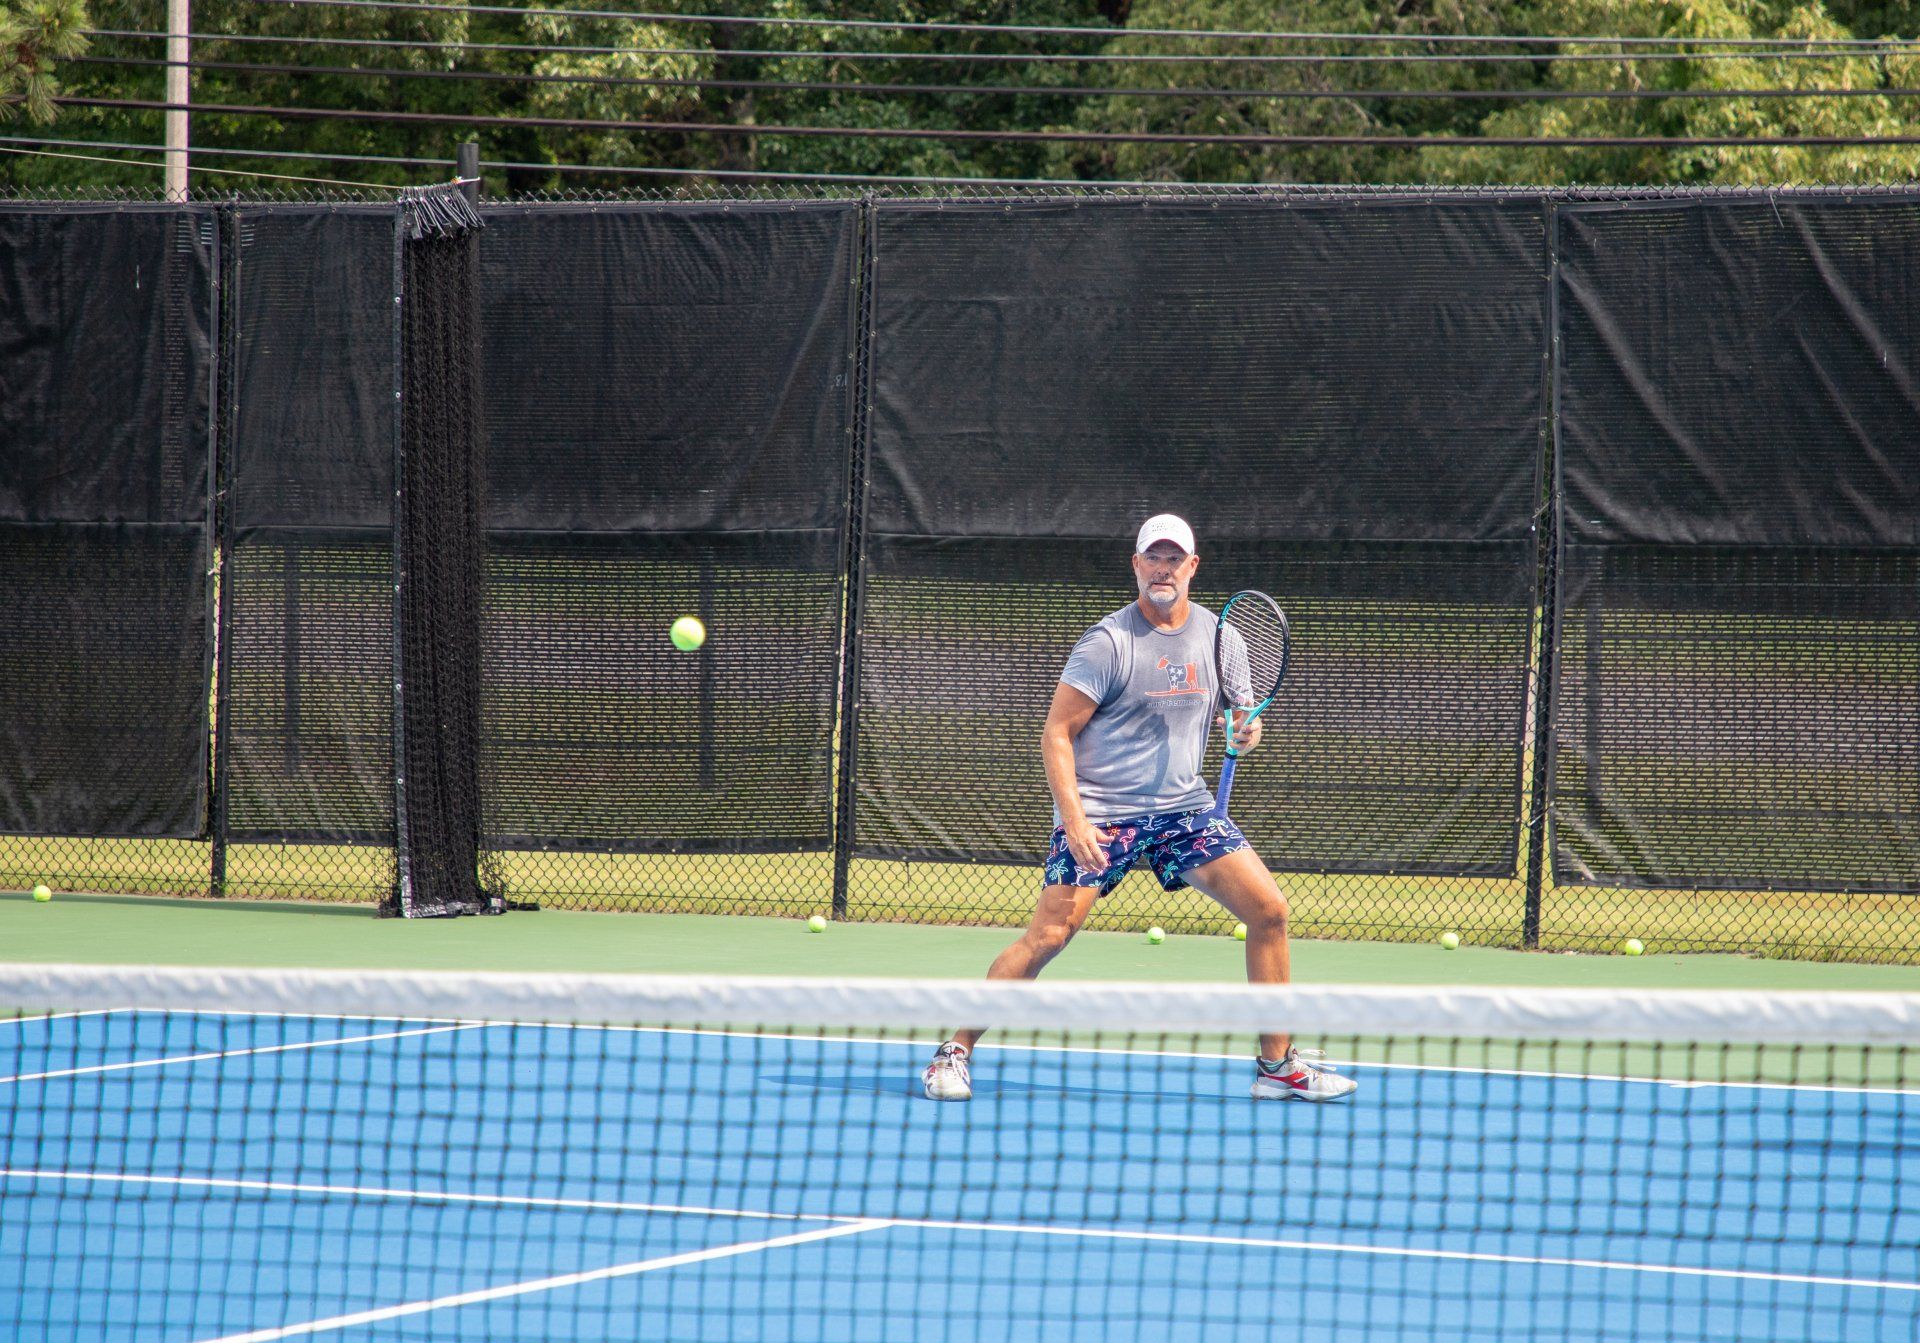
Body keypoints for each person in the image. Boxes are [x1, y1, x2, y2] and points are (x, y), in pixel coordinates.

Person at [922, 514, 1356, 1104]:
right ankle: (954, 1051)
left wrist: (1245, 732)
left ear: (1192, 568)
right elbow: (1055, 734)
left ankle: (1276, 1067)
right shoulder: (1107, 643)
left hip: (1185, 809)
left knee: (1270, 911)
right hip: (1103, 810)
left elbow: (1239, 719)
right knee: (1050, 933)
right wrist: (1074, 821)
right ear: (1136, 565)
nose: (1164, 568)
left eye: (1175, 559)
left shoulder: (1224, 638)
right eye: (1153, 557)